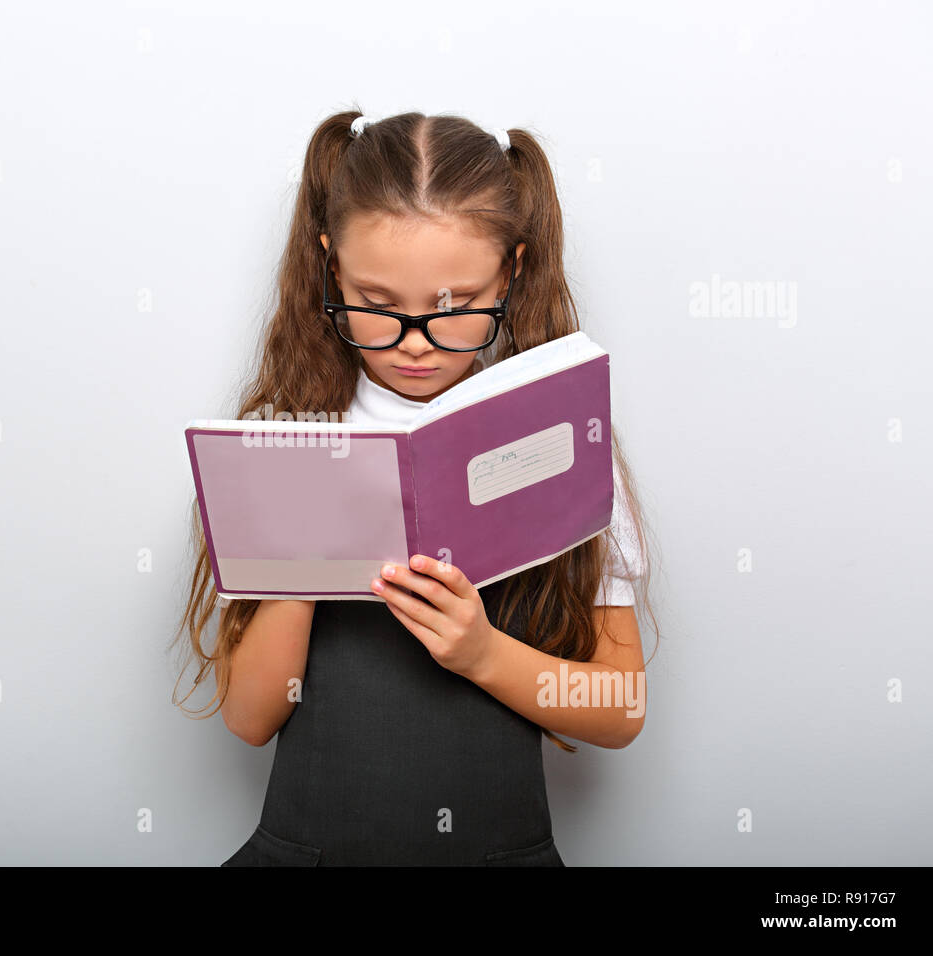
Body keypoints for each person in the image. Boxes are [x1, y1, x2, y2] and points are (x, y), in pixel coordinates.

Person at [172, 109, 660, 866]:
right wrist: (302, 560)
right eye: (377, 303)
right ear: (330, 265)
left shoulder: (565, 441)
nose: (413, 342)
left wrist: (482, 654)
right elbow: (249, 716)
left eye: (456, 306)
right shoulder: (282, 439)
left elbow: (619, 709)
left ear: (513, 271)